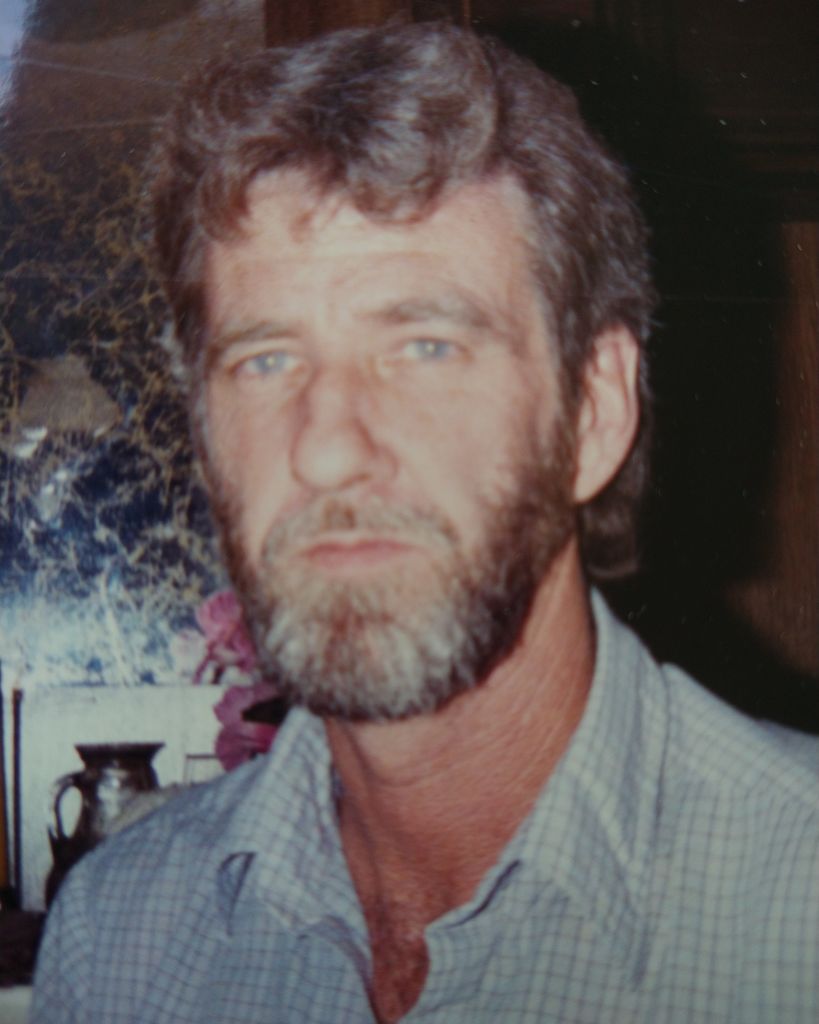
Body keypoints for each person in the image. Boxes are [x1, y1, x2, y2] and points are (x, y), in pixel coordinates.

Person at [31, 21, 818, 1024]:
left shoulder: (798, 906)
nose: (325, 448)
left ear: (593, 413)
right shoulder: (121, 939)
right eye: (266, 360)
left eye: (425, 347)